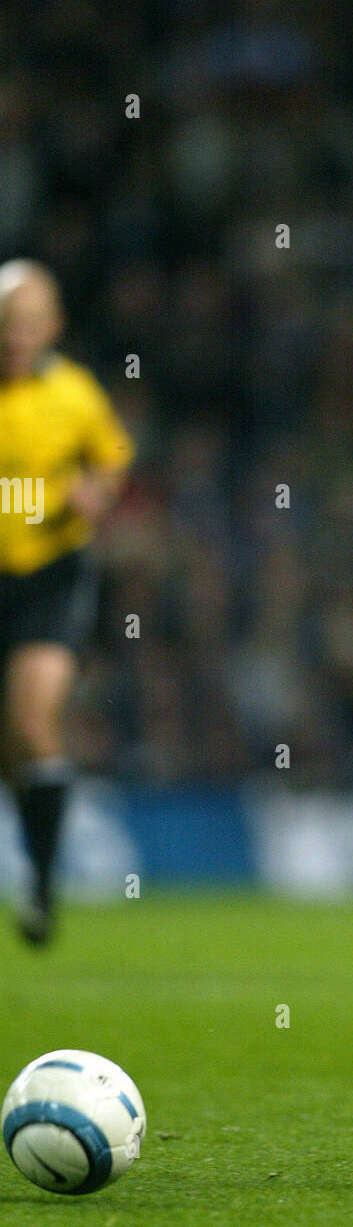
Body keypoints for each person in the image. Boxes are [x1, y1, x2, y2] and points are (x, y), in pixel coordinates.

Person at [0, 260, 134, 944]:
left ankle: (43, 884)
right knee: (11, 749)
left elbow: (111, 455)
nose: (14, 338)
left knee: (31, 725)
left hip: (51, 575)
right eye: (5, 325)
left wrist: (98, 491)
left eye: (25, 325)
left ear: (50, 326)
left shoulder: (74, 393)